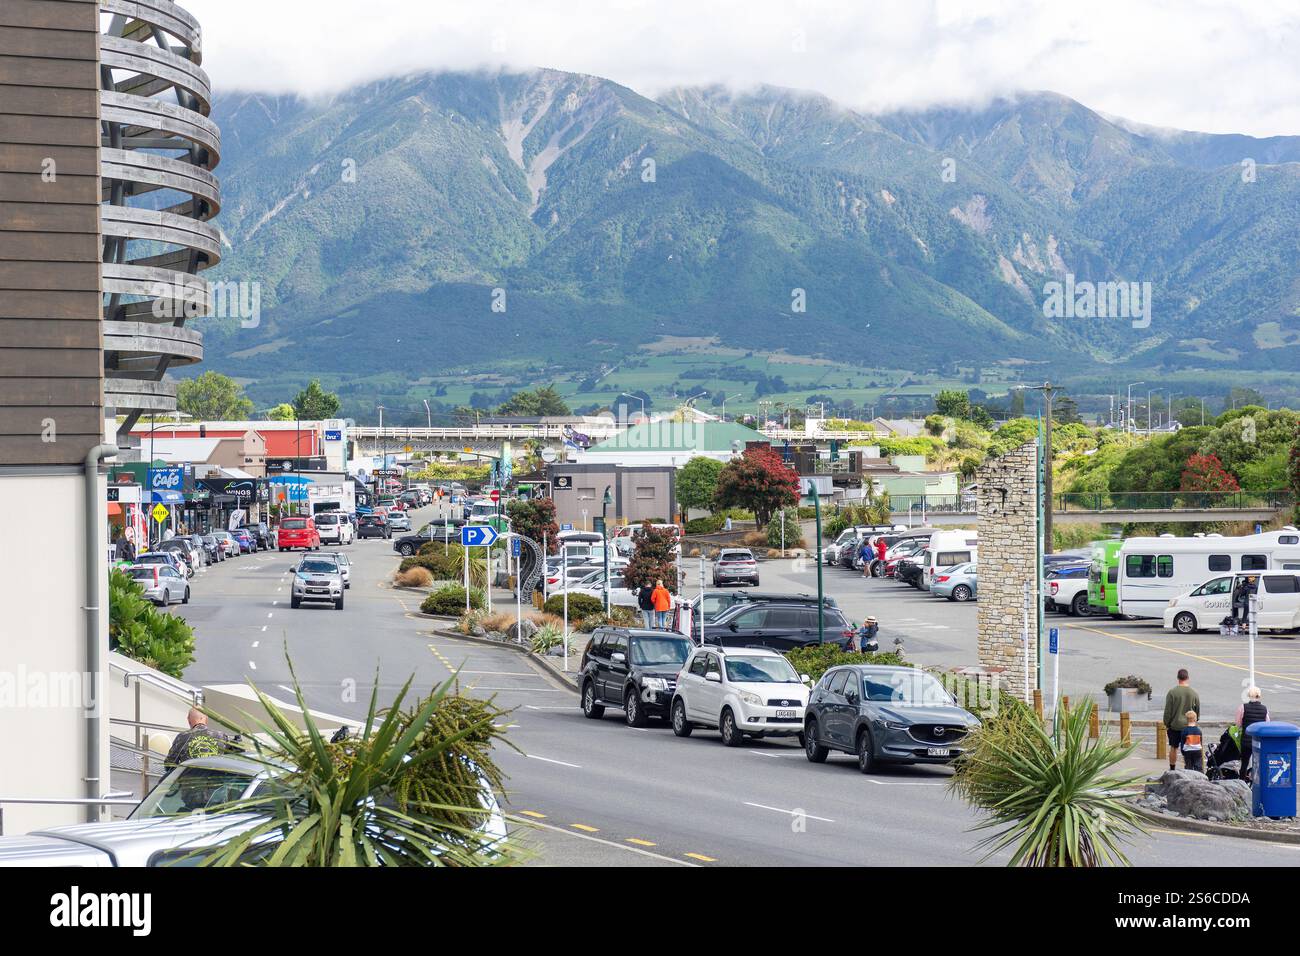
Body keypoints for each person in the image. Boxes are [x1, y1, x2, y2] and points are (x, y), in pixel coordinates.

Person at [163, 708, 230, 770]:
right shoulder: (222, 736)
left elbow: (169, 765)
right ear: (206, 719)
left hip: (189, 781)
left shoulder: (182, 737)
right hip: (215, 781)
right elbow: (232, 762)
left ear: (188, 720)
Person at [1162, 669, 1201, 771]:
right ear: (1188, 678)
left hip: (1175, 725)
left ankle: (1172, 769)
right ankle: (1188, 768)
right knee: (1188, 749)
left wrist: (1167, 723)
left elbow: (1168, 711)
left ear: (1178, 678)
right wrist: (1195, 720)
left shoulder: (1172, 693)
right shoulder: (1193, 693)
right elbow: (1197, 710)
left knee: (1173, 747)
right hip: (1189, 726)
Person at [1237, 686, 1270, 782]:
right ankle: (1259, 781)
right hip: (1259, 741)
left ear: (1249, 695)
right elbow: (1267, 724)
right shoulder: (1264, 709)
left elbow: (1238, 724)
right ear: (1259, 696)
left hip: (1246, 740)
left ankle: (1242, 782)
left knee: (1244, 763)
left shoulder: (1242, 707)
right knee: (1259, 762)